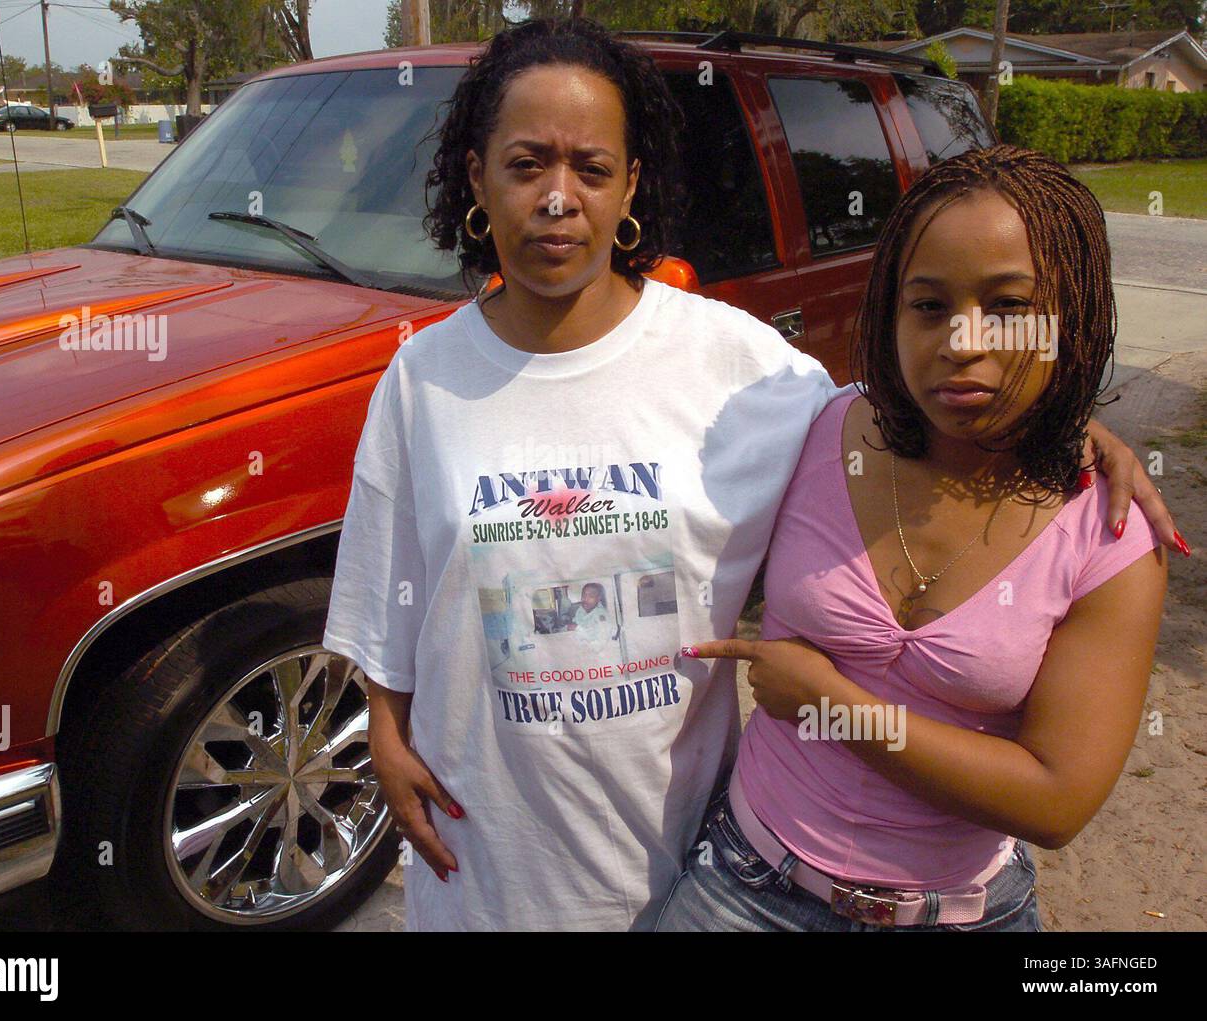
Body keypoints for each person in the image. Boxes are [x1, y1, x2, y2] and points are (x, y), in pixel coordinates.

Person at [321, 18, 1177, 931]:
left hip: (674, 856)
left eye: (592, 169)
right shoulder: (423, 378)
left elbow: (924, 405)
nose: (558, 199)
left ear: (631, 185)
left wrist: (1064, 423)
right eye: (526, 164)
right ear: (477, 176)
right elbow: (391, 589)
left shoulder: (744, 371)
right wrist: (385, 729)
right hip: (485, 860)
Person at [658, 145, 1179, 932]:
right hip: (744, 886)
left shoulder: (1107, 533)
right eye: (929, 306)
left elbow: (1055, 799)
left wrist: (833, 704)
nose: (962, 342)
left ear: (1068, 320)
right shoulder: (820, 426)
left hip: (966, 913)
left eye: (1008, 307)